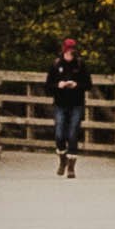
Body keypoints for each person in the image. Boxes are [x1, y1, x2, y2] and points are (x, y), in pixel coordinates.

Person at [45, 37, 89, 174]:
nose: (70, 52)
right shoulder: (56, 64)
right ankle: (62, 159)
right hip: (60, 104)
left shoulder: (80, 64)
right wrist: (58, 85)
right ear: (63, 49)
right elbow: (47, 86)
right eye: (68, 49)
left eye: (72, 49)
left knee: (73, 134)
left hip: (76, 104)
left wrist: (76, 85)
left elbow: (89, 84)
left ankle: (71, 167)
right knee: (59, 134)